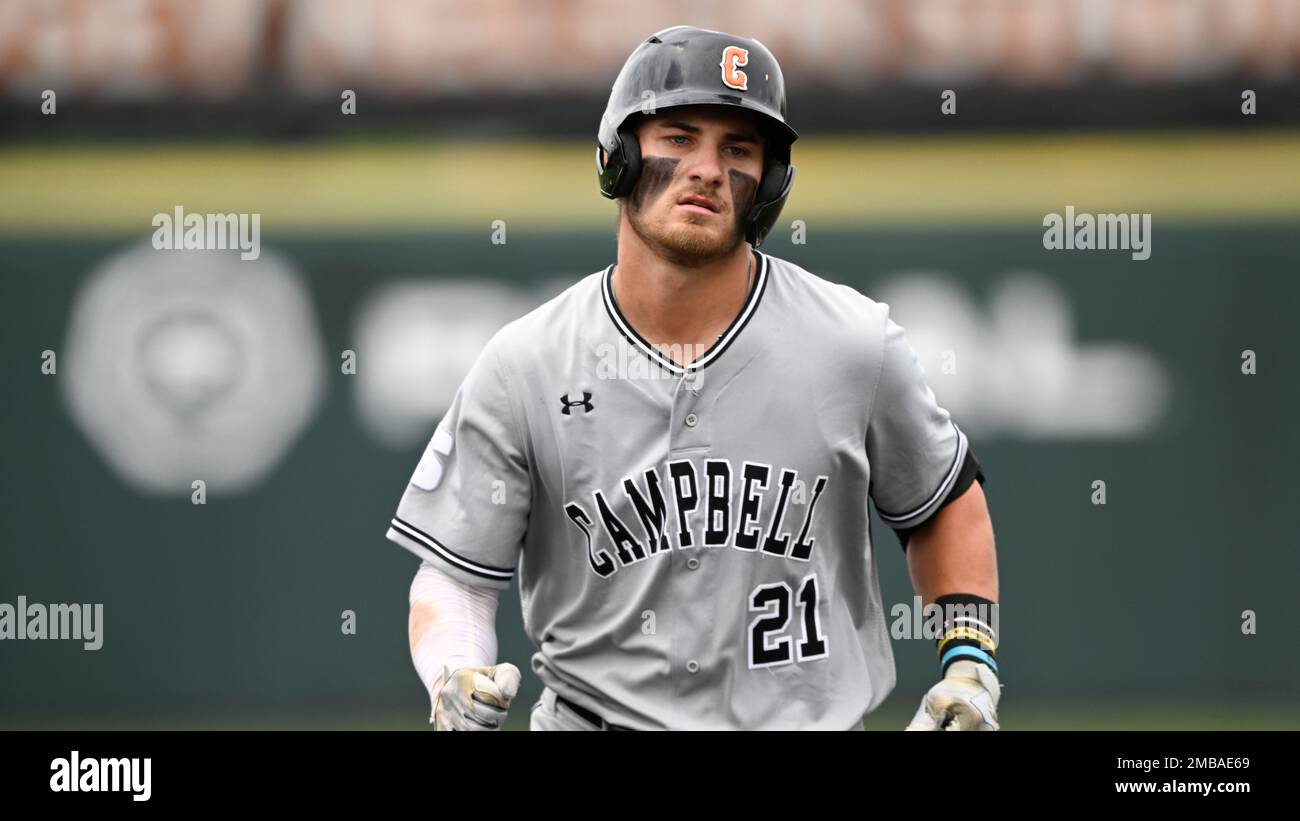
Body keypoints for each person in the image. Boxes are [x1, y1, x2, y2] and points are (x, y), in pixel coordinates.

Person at [387, 25, 1000, 731]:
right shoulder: (526, 361)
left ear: (769, 184)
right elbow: (458, 574)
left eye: (738, 149)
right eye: (678, 136)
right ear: (617, 155)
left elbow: (945, 500)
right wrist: (453, 668)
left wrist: (969, 661)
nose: (707, 168)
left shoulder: (853, 342)